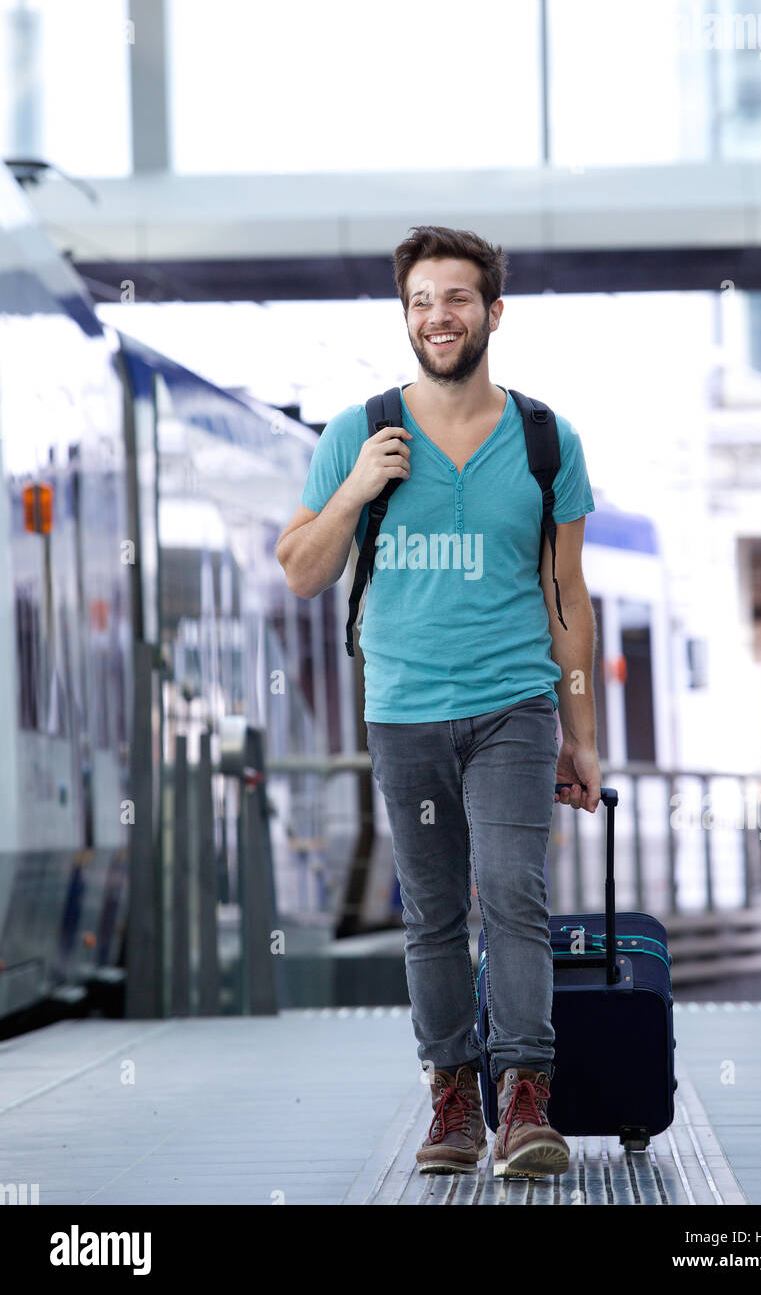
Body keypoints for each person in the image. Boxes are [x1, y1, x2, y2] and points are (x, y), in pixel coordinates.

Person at [276, 225, 601, 1180]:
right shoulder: (359, 431)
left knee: (512, 893)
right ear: (406, 316)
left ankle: (525, 1097)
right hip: (405, 709)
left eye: (455, 299)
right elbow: (300, 571)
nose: (437, 317)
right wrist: (355, 491)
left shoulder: (547, 440)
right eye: (420, 302)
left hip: (513, 703)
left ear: (491, 313)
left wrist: (579, 736)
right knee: (429, 911)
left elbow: (566, 597)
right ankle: (452, 1097)